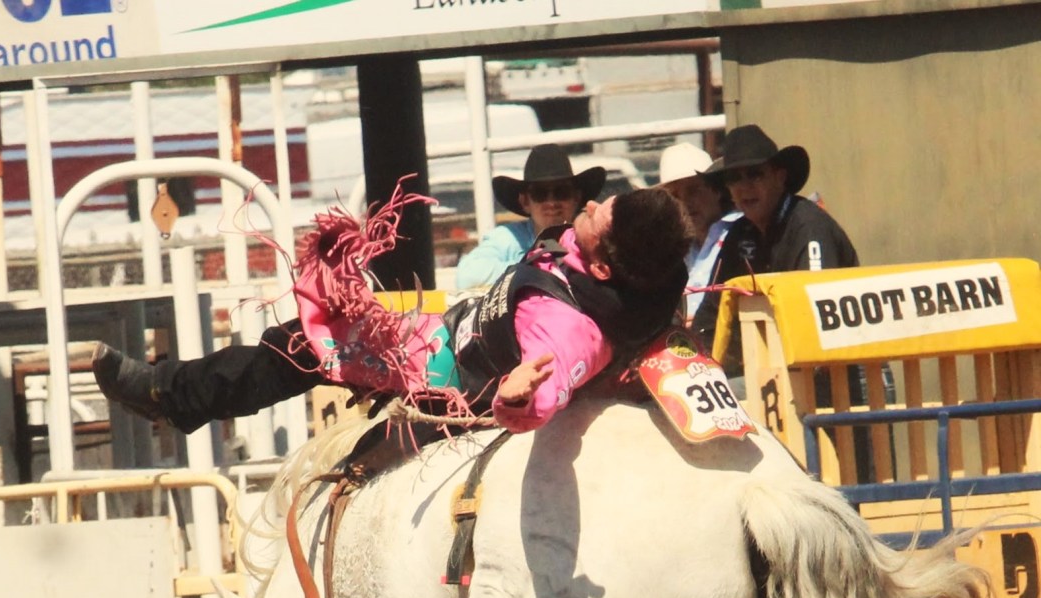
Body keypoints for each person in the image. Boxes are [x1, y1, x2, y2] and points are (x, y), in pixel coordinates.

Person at [93, 186, 690, 437]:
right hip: (444, 338)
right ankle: (177, 396)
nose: (585, 204)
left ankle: (170, 395)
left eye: (598, 212)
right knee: (307, 335)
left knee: (301, 348)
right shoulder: (586, 272)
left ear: (607, 266)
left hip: (441, 373)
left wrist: (515, 397)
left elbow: (546, 387)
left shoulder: (572, 326)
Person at [690, 124, 859, 371]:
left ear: (779, 177)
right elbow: (710, 316)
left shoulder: (808, 226)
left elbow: (815, 314)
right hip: (776, 373)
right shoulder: (740, 234)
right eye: (734, 178)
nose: (744, 186)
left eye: (755, 174)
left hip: (842, 373)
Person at [453, 145, 605, 290]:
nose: (551, 203)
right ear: (525, 202)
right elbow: (467, 276)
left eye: (561, 192)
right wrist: (543, 265)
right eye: (540, 194)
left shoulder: (590, 234)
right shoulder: (510, 237)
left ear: (576, 198)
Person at [656, 141, 738, 321]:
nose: (685, 202)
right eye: (675, 196)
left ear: (716, 190)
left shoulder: (741, 233)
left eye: (694, 190)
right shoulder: (672, 249)